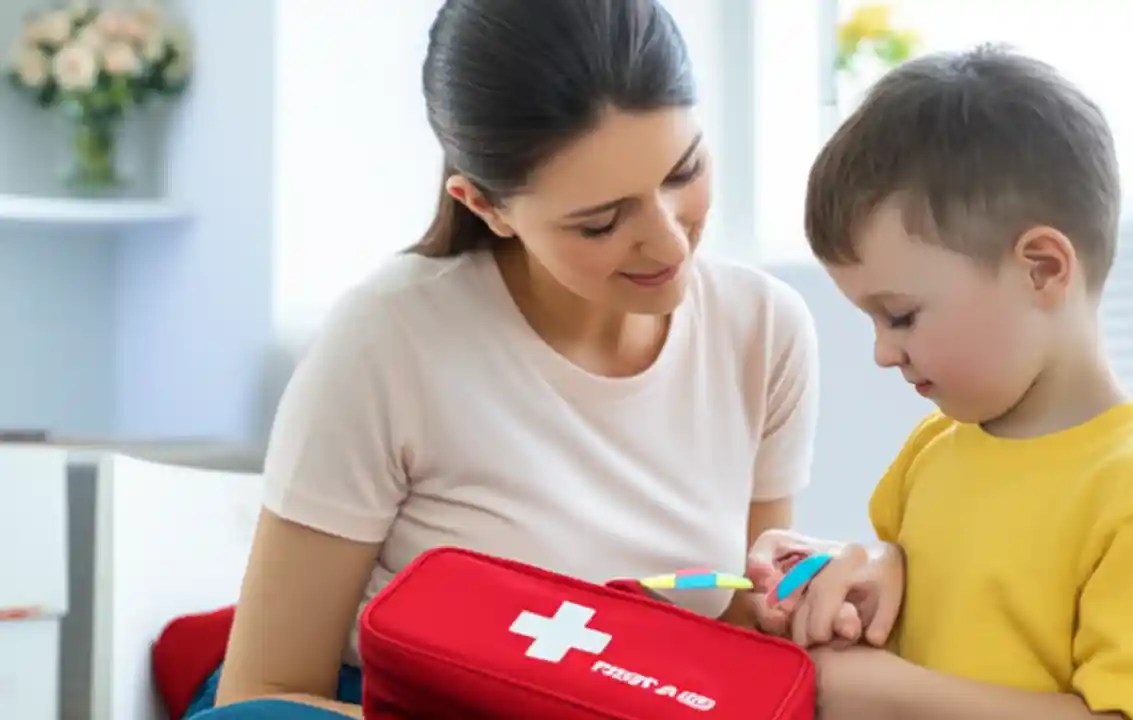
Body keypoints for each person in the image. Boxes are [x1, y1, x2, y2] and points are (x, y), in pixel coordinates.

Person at [189, 1, 820, 718]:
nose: (671, 243)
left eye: (685, 172)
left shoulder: (763, 330)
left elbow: (739, 637)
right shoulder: (389, 341)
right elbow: (263, 694)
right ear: (485, 206)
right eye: (601, 222)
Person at [765, 46, 1133, 719]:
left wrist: (884, 693)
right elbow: (932, 596)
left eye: (900, 315)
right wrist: (853, 577)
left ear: (1042, 269)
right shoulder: (933, 452)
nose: (882, 352)